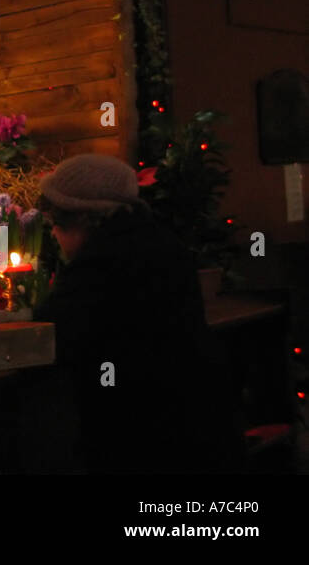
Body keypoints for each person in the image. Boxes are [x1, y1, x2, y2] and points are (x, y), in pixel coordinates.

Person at [14, 153, 242, 474]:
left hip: (145, 436)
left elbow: (47, 335)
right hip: (202, 422)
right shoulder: (161, 242)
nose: (52, 234)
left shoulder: (101, 263)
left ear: (81, 218)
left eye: (56, 224)